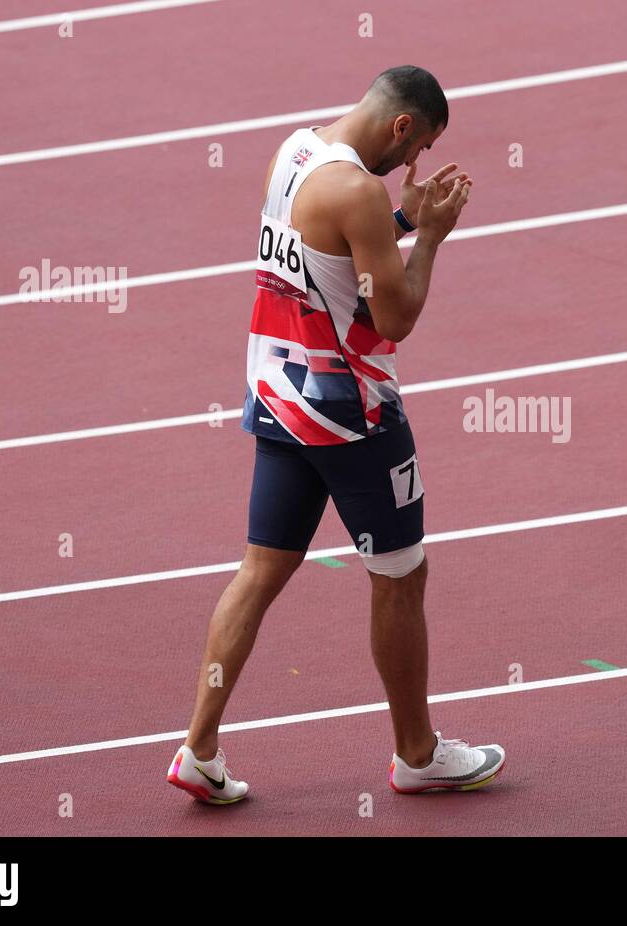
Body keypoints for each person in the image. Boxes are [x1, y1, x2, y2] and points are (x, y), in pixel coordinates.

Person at [166, 65, 504, 804]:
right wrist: (431, 239)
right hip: (353, 418)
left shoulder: (293, 153)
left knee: (258, 573)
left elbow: (329, 260)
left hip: (282, 400)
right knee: (400, 575)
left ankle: (199, 747)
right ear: (402, 126)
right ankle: (417, 755)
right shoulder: (358, 191)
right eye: (419, 149)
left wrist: (402, 224)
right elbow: (394, 319)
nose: (412, 168)